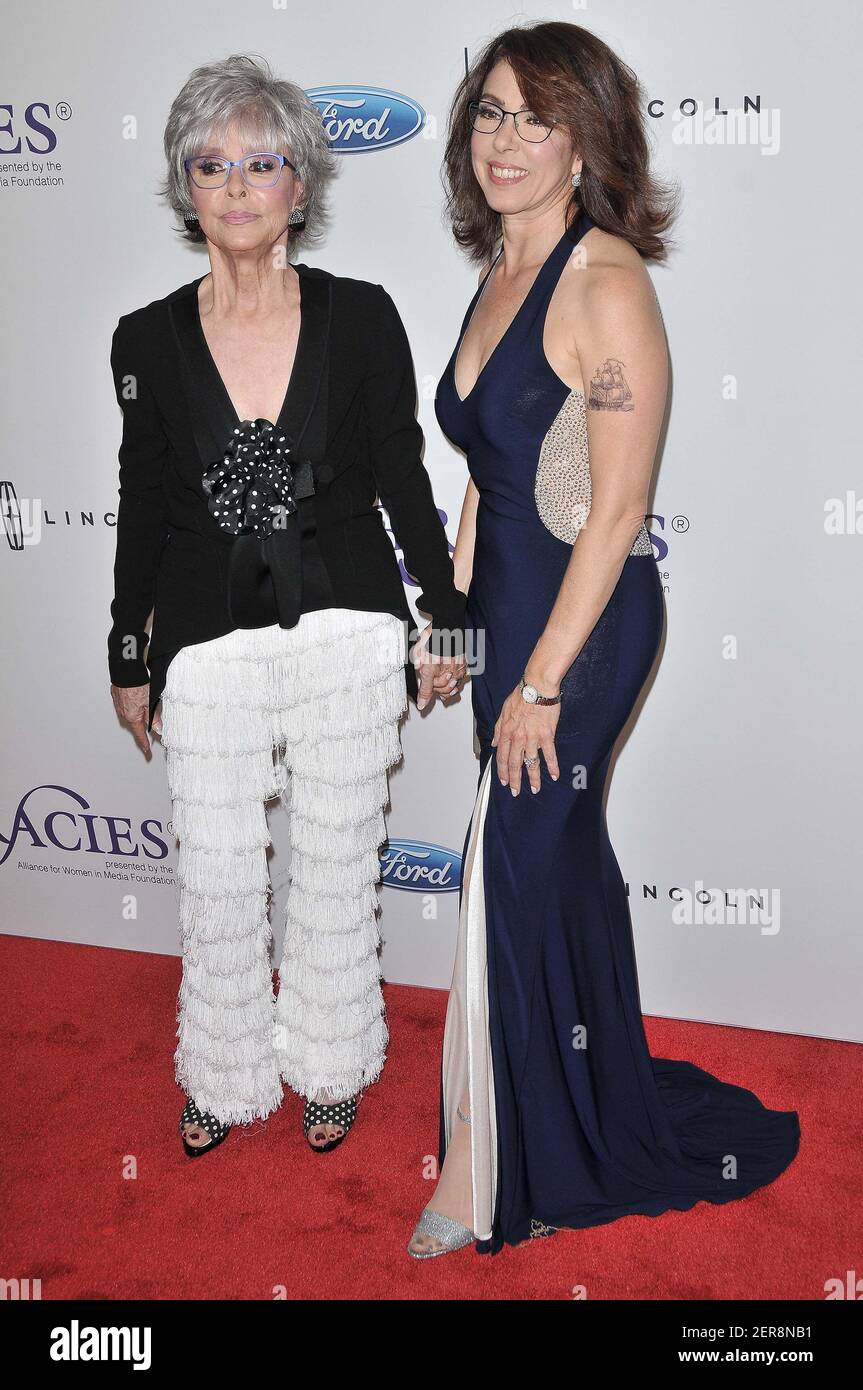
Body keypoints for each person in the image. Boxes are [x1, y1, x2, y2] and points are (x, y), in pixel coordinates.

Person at [408, 20, 799, 1257]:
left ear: (583, 141)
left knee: (511, 864)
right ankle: (583, 1095)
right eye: (488, 113)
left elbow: (618, 507)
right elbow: (485, 469)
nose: (504, 141)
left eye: (536, 117)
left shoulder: (603, 280)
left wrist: (536, 679)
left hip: (583, 624)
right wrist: (461, 630)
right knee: (553, 859)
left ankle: (481, 1163)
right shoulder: (501, 272)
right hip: (510, 614)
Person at [107, 53, 466, 1158]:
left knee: (334, 864)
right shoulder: (145, 336)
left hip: (350, 627)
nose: (235, 184)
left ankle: (328, 1061)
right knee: (216, 876)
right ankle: (221, 1067)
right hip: (204, 640)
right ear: (185, 188)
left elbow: (403, 476)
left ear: (300, 185)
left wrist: (445, 616)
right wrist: (130, 650)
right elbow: (143, 502)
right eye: (208, 164)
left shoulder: (362, 317)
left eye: (261, 162)